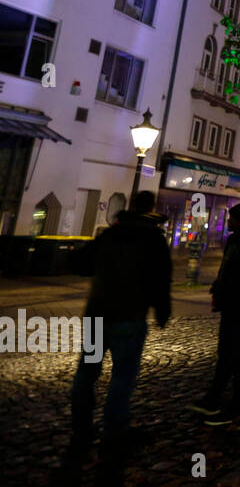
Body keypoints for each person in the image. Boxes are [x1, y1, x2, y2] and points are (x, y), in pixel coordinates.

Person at [69, 191, 172, 454]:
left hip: (98, 315)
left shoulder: (111, 234)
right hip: (129, 316)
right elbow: (161, 278)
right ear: (151, 208)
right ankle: (114, 432)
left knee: (87, 372)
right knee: (122, 376)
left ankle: (81, 428)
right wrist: (162, 310)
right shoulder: (153, 238)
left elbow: (81, 264)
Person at [191, 201, 240, 426]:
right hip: (232, 304)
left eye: (232, 218)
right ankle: (214, 399)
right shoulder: (239, 239)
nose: (228, 221)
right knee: (226, 354)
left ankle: (237, 406)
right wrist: (219, 289)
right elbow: (228, 270)